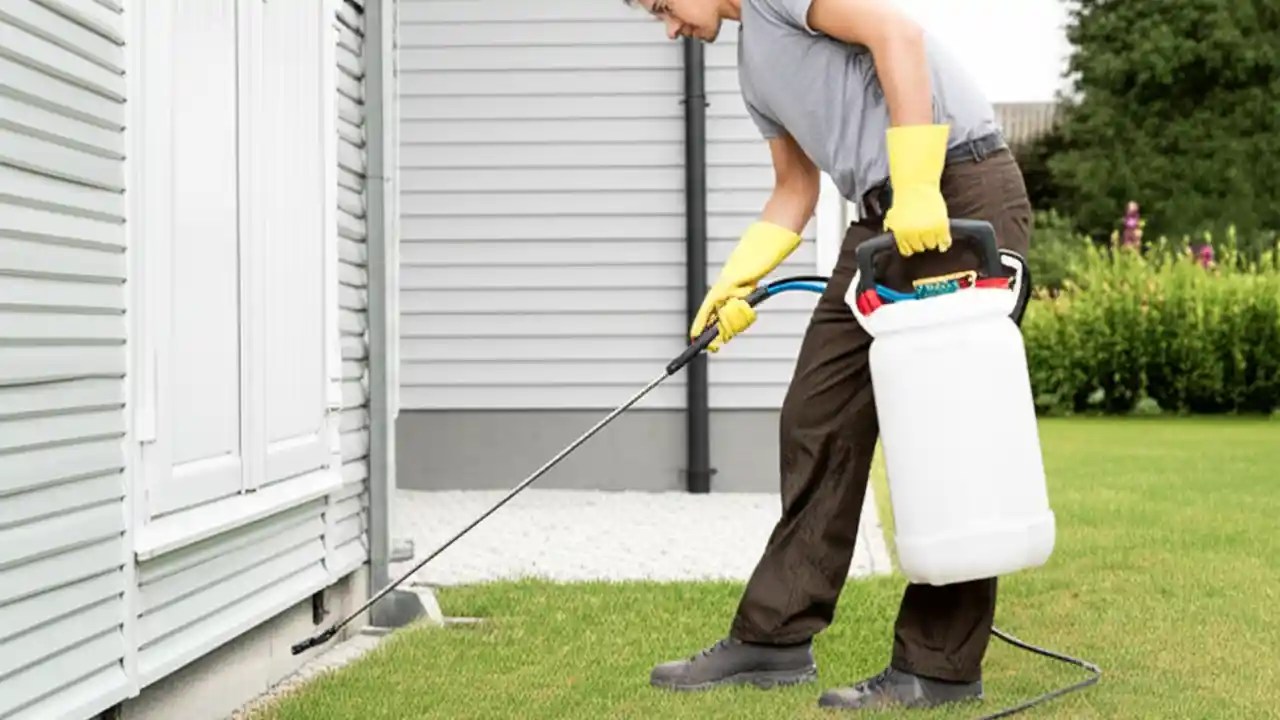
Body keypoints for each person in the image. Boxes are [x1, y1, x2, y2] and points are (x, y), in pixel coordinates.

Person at [626, 0, 1035, 712]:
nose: (668, 26)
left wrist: (915, 188)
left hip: (958, 190)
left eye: (661, 5)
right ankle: (774, 637)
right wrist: (735, 281)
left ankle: (937, 668)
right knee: (817, 414)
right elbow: (794, 189)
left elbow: (896, 35)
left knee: (950, 435)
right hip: (881, 216)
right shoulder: (753, 69)